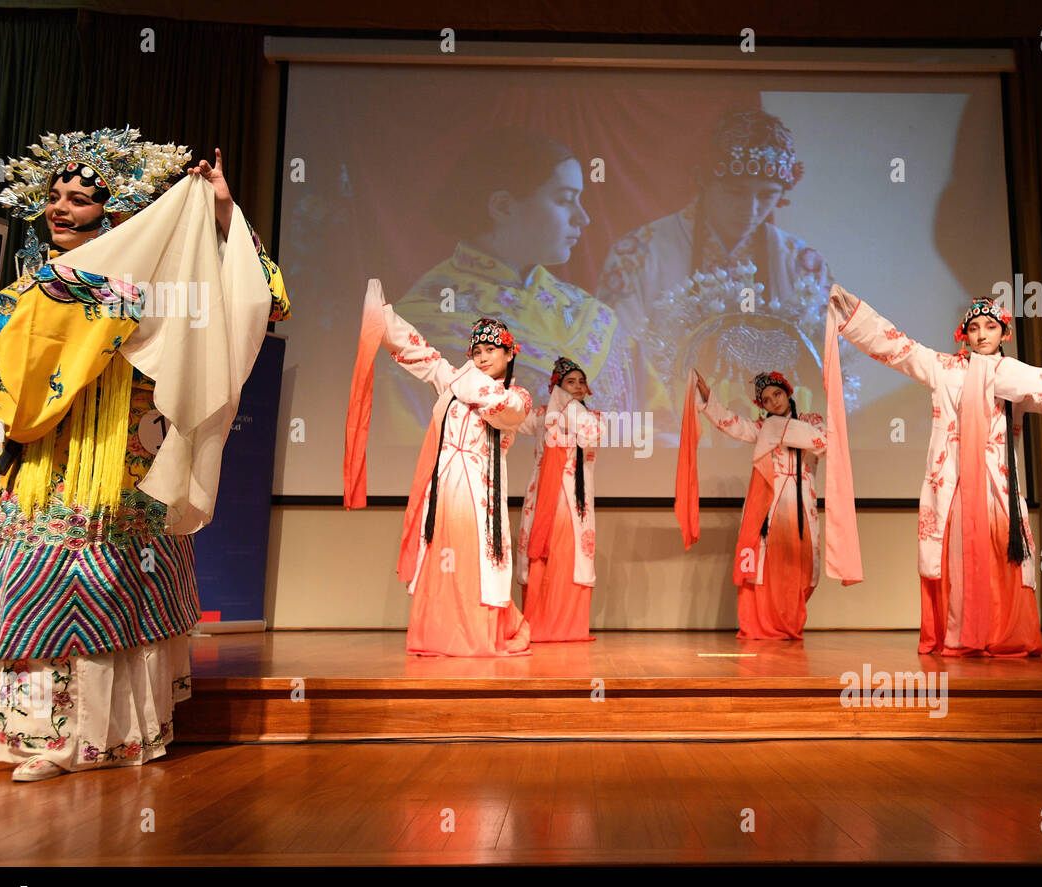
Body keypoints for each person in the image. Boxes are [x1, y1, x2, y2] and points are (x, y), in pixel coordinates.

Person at [0, 128, 289, 781]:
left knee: (116, 585)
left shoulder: (161, 289)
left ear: (116, 214)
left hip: (125, 466)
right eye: (54, 196)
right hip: (49, 468)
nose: (60, 207)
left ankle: (118, 737)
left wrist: (224, 214)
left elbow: (266, 301)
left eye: (80, 199)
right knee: (44, 588)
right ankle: (47, 740)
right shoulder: (39, 283)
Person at [827, 285, 1042, 656]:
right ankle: (960, 635)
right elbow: (897, 348)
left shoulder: (1012, 372)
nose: (982, 334)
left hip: (995, 486)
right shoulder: (945, 369)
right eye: (974, 329)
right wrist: (852, 312)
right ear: (964, 336)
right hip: (955, 486)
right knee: (956, 559)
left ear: (1004, 334)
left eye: (990, 327)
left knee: (999, 560)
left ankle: (1001, 636)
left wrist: (988, 373)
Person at [598, 106, 841, 421]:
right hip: (664, 431)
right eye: (735, 192)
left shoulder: (803, 264)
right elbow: (615, 356)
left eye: (766, 194)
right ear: (703, 180)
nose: (751, 209)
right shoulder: (637, 253)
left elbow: (827, 368)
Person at [387, 129, 626, 427]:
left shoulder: (592, 314)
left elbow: (654, 422)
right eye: (565, 200)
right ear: (503, 206)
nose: (583, 217)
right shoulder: (419, 321)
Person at [357, 280, 533, 656]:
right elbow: (415, 350)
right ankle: (437, 636)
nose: (482, 357)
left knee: (474, 561)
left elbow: (502, 409)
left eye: (491, 350)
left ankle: (475, 636)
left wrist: (464, 375)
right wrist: (382, 316)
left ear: (508, 354)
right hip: (443, 487)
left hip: (479, 492)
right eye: (477, 350)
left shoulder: (515, 396)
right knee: (441, 557)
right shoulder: (454, 380)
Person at [692, 369, 829, 640]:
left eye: (777, 394)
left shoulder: (811, 420)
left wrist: (777, 429)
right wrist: (710, 400)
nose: (774, 402)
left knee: (799, 567)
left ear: (788, 393)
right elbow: (735, 425)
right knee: (765, 566)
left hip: (801, 503)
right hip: (770, 502)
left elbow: (823, 442)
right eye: (766, 400)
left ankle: (788, 623)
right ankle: (760, 624)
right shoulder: (762, 427)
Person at [515, 357, 600, 643]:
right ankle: (536, 624)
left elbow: (592, 436)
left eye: (580, 382)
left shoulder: (589, 417)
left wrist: (569, 406)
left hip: (571, 499)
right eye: (569, 382)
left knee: (567, 557)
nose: (577, 387)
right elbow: (511, 419)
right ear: (556, 386)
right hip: (542, 495)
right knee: (540, 557)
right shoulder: (542, 416)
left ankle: (567, 627)